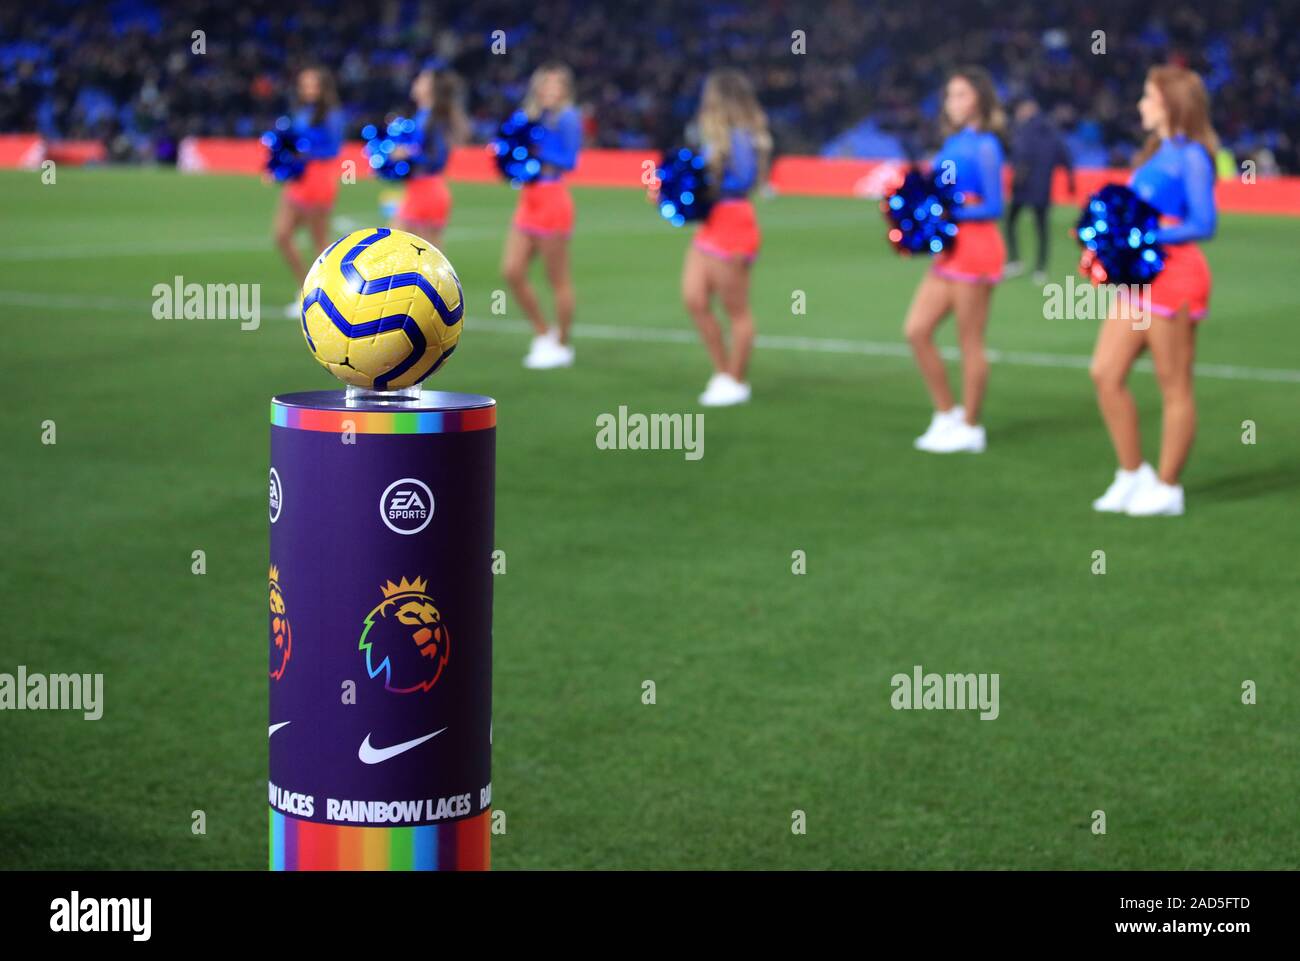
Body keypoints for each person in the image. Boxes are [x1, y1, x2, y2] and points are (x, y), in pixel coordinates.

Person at [1088, 66, 1218, 517]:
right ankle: (1132, 473)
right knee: (1105, 373)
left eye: (1148, 97)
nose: (1141, 105)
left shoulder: (1192, 156)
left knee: (1174, 385)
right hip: (1141, 279)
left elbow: (1205, 223)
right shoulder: (1155, 152)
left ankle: (1167, 487)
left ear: (1170, 104)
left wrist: (1145, 235)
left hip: (1177, 278)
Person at [905, 66, 1006, 454]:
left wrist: (948, 212)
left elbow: (994, 205)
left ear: (979, 98)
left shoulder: (985, 145)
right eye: (949, 95)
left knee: (969, 341)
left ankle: (970, 427)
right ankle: (946, 413)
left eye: (961, 94)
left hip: (976, 248)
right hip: (950, 249)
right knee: (917, 330)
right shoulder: (952, 144)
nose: (953, 102)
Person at [681, 69, 772, 407]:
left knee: (737, 310)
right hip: (711, 222)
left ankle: (736, 379)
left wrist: (706, 181)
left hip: (733, 220)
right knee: (694, 298)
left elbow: (744, 179)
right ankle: (722, 372)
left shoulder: (742, 137)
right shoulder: (713, 137)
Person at [501, 63, 582, 370]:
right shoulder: (532, 116)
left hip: (552, 197)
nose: (550, 90)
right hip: (529, 197)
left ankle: (562, 345)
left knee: (557, 280)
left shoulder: (569, 117)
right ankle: (543, 332)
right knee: (512, 271)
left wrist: (534, 151)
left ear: (565, 90)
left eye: (556, 85)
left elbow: (570, 160)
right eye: (545, 84)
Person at [274, 66, 345, 315]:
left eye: (312, 84)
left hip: (318, 178)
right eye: (303, 84)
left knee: (320, 244)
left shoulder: (332, 115)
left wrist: (302, 152)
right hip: (299, 178)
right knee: (282, 235)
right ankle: (306, 288)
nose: (307, 89)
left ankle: (328, 295)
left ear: (323, 87)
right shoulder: (303, 112)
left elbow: (333, 150)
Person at [392, 69, 469, 249]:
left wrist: (407, 154)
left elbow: (437, 158)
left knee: (410, 252)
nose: (416, 82)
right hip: (421, 189)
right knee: (415, 255)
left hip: (427, 190)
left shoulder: (433, 118)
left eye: (421, 80)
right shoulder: (424, 116)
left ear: (431, 89)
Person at [1004, 99, 1075, 284]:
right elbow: (1066, 156)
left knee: (1011, 222)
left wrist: (1014, 183)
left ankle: (1015, 260)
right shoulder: (1052, 133)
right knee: (1042, 230)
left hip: (1023, 188)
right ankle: (1040, 269)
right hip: (1043, 189)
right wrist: (1071, 181)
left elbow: (1019, 157)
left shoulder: (1023, 132)